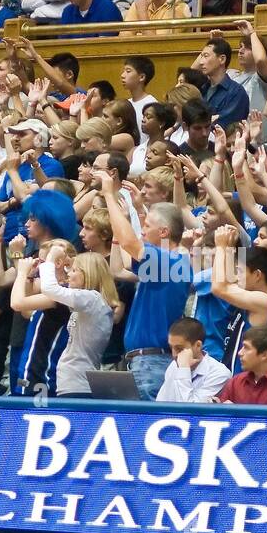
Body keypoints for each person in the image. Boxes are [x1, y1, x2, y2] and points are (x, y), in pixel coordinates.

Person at [101, 171, 191, 400]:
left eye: (147, 226)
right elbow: (120, 267)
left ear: (163, 232)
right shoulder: (166, 264)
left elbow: (130, 243)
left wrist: (109, 196)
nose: (143, 231)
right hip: (143, 361)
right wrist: (126, 217)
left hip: (151, 363)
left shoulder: (169, 261)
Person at [36, 241, 119, 398]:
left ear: (88, 274)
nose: (69, 274)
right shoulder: (93, 301)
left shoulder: (91, 299)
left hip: (77, 386)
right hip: (76, 383)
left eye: (74, 270)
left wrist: (51, 258)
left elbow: (49, 289)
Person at [157, 316, 233, 403]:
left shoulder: (220, 374)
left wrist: (184, 369)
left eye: (179, 349)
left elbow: (190, 411)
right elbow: (161, 404)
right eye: (171, 348)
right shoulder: (174, 366)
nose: (174, 354)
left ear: (198, 345)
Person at [216, 325, 267, 405]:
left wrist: (237, 413)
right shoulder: (236, 381)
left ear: (264, 355)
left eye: (246, 348)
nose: (239, 353)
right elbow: (220, 415)